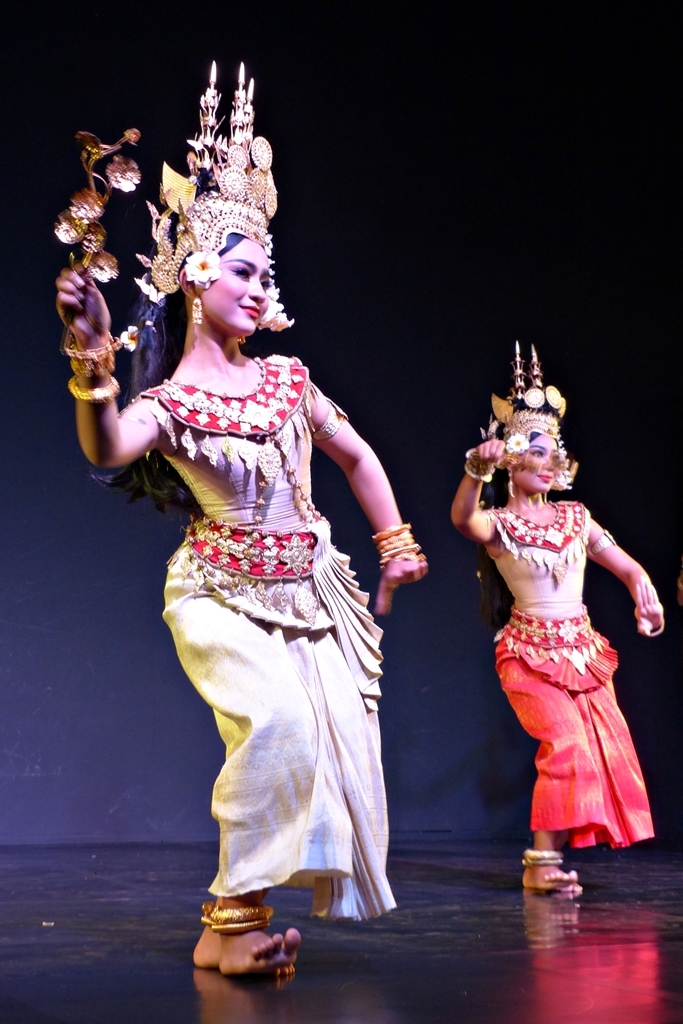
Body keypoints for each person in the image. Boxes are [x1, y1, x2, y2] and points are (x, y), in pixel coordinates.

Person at [55, 64, 427, 976]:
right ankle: (228, 922)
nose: (262, 288)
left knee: (327, 735)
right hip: (218, 592)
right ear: (194, 273)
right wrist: (95, 365)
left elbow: (357, 456)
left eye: (268, 272)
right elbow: (108, 448)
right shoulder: (175, 401)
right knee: (278, 728)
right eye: (245, 270)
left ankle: (236, 922)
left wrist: (394, 543)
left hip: (309, 585)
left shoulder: (287, 379)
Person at [450, 343, 662, 894]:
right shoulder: (498, 525)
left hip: (584, 652)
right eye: (535, 451)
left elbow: (622, 563)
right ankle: (541, 864)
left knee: (599, 749)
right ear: (512, 459)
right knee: (566, 742)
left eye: (554, 452)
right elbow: (462, 519)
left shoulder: (575, 516)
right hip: (527, 655)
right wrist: (475, 470)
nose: (548, 462)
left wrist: (645, 592)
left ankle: (553, 858)